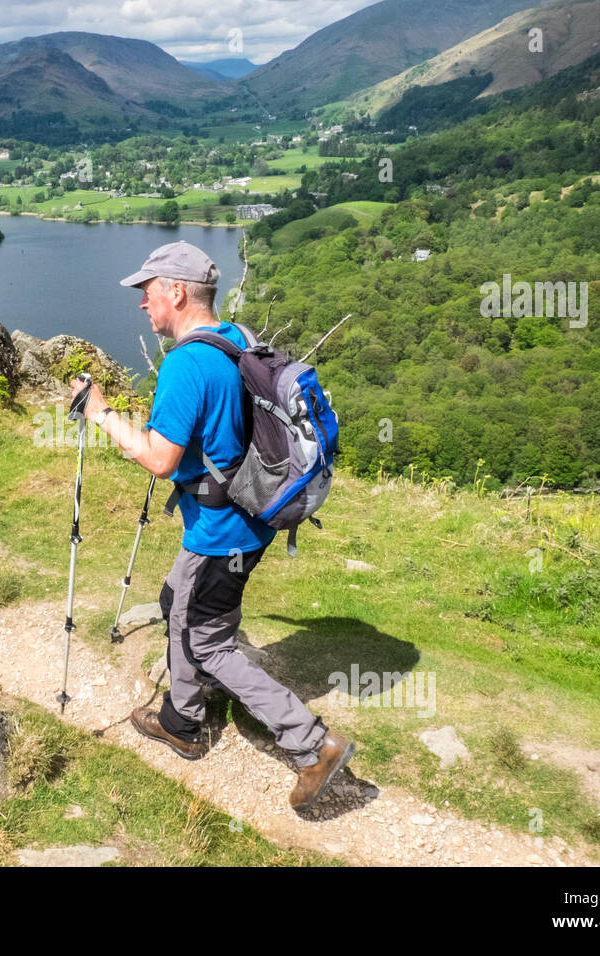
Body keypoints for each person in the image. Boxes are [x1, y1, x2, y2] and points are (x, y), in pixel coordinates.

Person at [69, 239, 354, 812]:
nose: (141, 305)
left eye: (147, 293)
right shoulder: (237, 337)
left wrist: (98, 412)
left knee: (209, 641)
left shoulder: (185, 365)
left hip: (220, 530)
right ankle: (182, 716)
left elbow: (159, 458)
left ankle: (310, 744)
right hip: (251, 515)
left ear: (176, 292)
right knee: (178, 596)